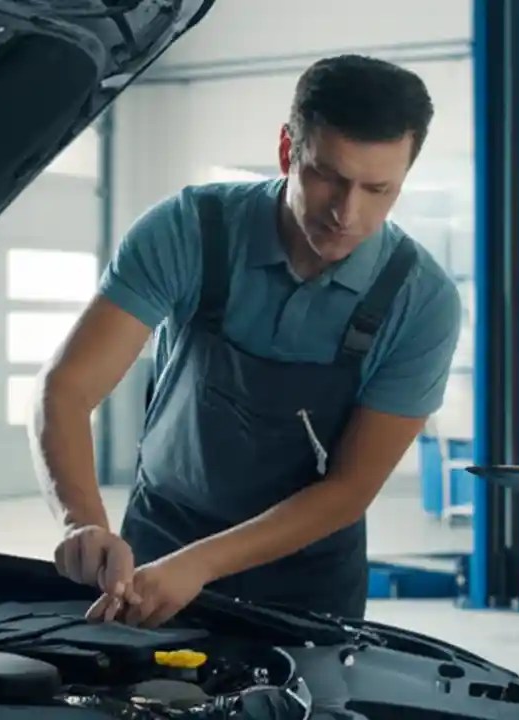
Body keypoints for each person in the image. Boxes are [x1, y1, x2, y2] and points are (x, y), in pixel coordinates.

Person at [30, 54, 462, 627]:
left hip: (307, 571)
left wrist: (201, 565)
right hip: (160, 536)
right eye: (327, 175)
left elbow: (350, 488)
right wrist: (80, 523)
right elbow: (65, 389)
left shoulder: (421, 300)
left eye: (378, 189)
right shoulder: (191, 230)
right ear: (288, 151)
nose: (346, 212)